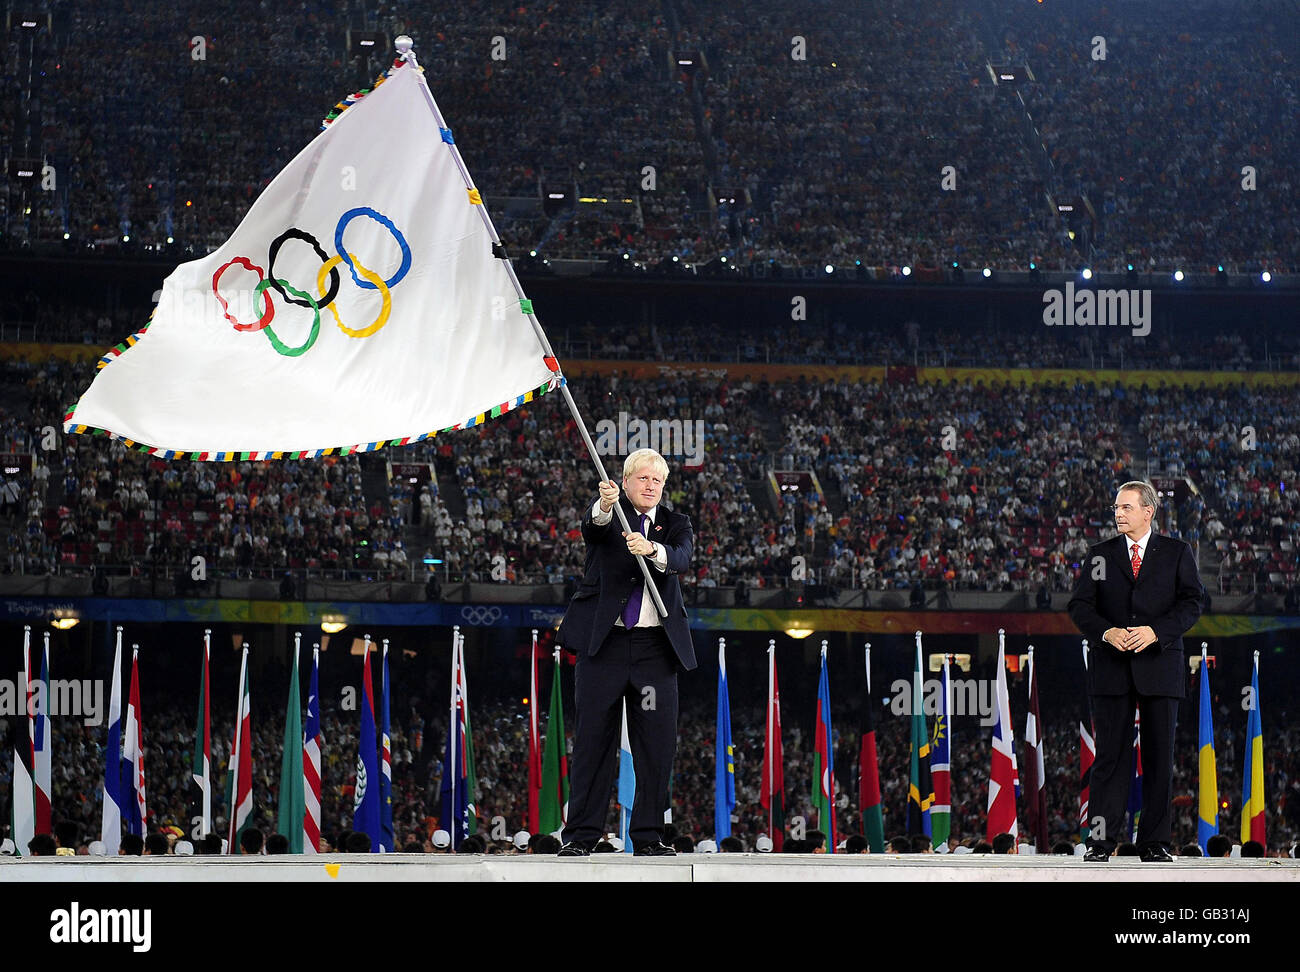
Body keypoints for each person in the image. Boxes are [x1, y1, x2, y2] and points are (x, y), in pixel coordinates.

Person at [556, 450, 695, 857]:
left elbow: (681, 557)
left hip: (655, 652)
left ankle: (649, 838)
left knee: (655, 745)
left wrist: (651, 549)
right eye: (643, 479)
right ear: (625, 481)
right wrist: (604, 504)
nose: (650, 486)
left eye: (657, 480)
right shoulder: (610, 513)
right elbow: (593, 527)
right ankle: (581, 837)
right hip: (605, 647)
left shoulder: (676, 523)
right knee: (593, 740)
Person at [1069, 481, 1203, 863]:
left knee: (1159, 759)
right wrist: (1107, 632)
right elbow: (1080, 606)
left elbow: (1193, 603)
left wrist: (1155, 632)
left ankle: (1154, 843)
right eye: (1116, 508)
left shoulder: (1177, 553)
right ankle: (1100, 842)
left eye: (1126, 507)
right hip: (1111, 669)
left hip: (1160, 667)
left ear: (1148, 511)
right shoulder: (1099, 555)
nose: (1118, 514)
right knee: (1109, 759)